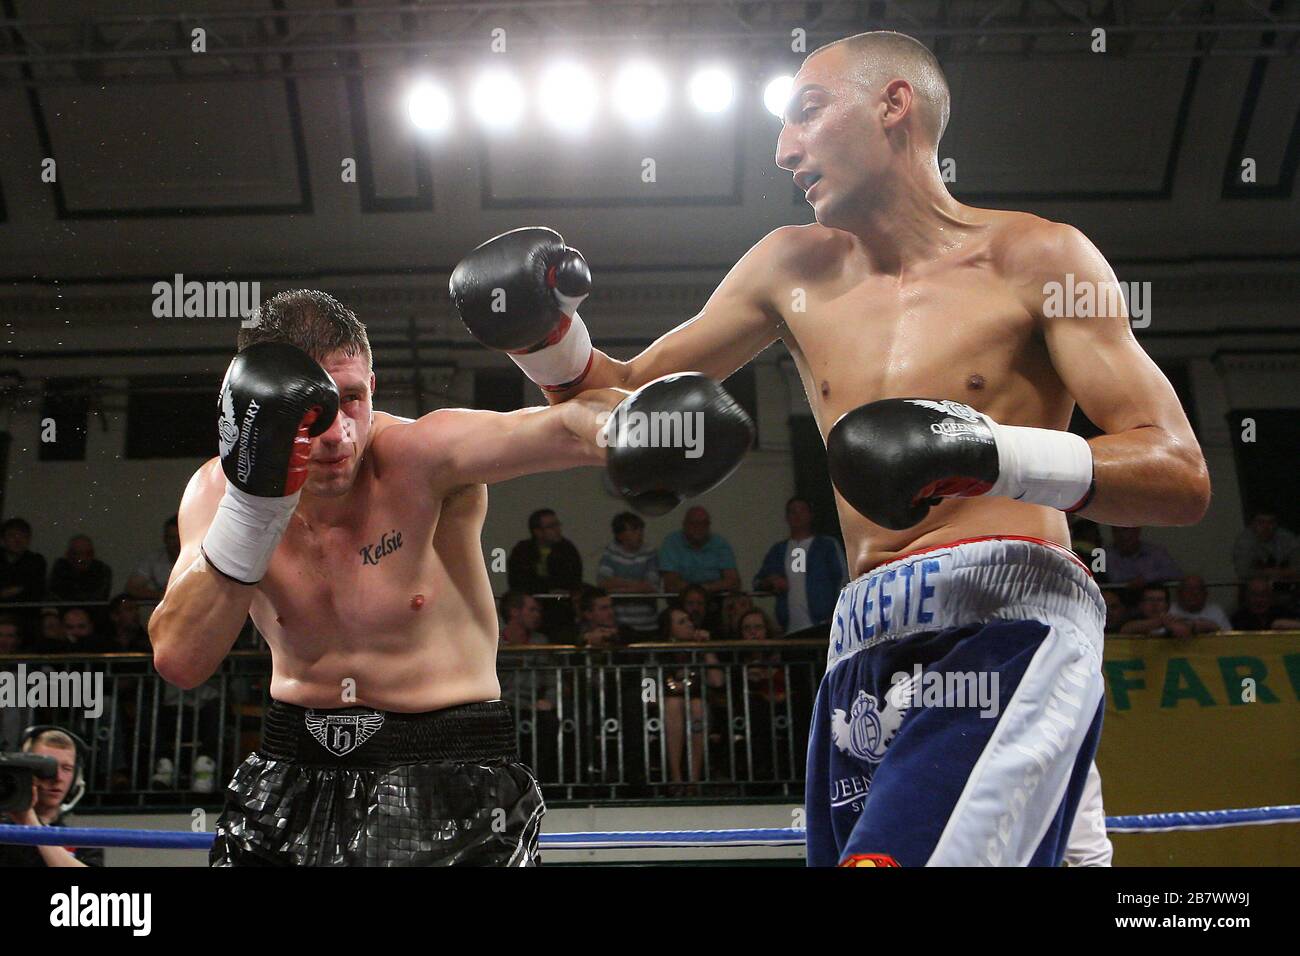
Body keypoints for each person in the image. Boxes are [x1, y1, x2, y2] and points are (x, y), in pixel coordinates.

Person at [458, 31, 1211, 865]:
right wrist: (546, 340)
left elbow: (1178, 474)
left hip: (1004, 617)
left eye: (807, 114)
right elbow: (619, 406)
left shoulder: (1035, 257)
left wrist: (988, 452)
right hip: (861, 634)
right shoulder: (791, 265)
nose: (784, 151)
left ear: (894, 104)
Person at [148, 289, 751, 867]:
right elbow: (180, 658)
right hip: (290, 771)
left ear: (373, 387)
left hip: (449, 779)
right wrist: (256, 506)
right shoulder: (220, 491)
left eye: (351, 400)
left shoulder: (422, 453)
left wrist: (623, 428)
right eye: (310, 414)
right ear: (253, 410)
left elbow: (558, 425)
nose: (337, 435)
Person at [0, 727, 102, 867]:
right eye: (47, 766)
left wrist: (30, 822)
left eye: (66, 768)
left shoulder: (83, 840)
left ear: (76, 777)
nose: (58, 778)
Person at [754, 497, 848, 632]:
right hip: (788, 627)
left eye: (802, 511)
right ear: (787, 517)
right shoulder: (779, 551)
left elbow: (843, 580)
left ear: (811, 515)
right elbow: (757, 583)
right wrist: (771, 582)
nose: (797, 516)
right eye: (793, 512)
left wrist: (839, 614)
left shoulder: (826, 546)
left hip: (824, 624)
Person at [507, 509, 584, 635]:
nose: (557, 529)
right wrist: (547, 589)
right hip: (531, 609)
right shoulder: (523, 550)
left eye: (557, 524)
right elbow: (518, 580)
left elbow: (573, 579)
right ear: (537, 531)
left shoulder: (567, 549)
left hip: (561, 611)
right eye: (551, 526)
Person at [596, 511, 661, 639]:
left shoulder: (650, 552)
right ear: (620, 535)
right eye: (634, 529)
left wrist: (620, 584)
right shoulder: (611, 551)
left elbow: (651, 587)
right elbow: (603, 583)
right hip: (620, 624)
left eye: (640, 529)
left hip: (647, 623)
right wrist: (636, 584)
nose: (640, 533)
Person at [657, 506, 741, 596]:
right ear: (684, 524)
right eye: (694, 523)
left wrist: (703, 589)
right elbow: (672, 584)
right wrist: (704, 589)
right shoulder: (672, 542)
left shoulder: (720, 543)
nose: (699, 527)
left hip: (715, 599)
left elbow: (733, 582)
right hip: (681, 600)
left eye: (704, 523)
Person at [0, 517, 46, 642]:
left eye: (23, 536)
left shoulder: (36, 561)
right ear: (3, 539)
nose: (18, 540)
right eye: (12, 536)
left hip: (25, 615)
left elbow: (34, 591)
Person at [1105, 526, 1183, 593]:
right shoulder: (1106, 554)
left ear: (1137, 530)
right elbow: (1113, 578)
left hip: (1152, 602)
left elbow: (1175, 573)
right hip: (1118, 602)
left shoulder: (1155, 552)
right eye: (1116, 531)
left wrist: (1146, 579)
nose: (1122, 535)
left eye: (1125, 529)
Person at [126, 515, 182, 602]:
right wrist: (162, 595)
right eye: (172, 538)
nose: (176, 543)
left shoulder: (198, 558)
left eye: (179, 537)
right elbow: (132, 588)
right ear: (165, 539)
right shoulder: (154, 559)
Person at [47, 534, 113, 605]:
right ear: (68, 555)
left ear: (93, 555)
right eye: (76, 553)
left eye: (87, 554)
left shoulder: (102, 570)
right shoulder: (60, 568)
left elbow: (97, 599)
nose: (82, 558)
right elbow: (54, 595)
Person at [1119, 585, 1194, 638]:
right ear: (1140, 605)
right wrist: (1163, 622)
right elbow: (1127, 629)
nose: (1155, 604)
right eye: (1149, 600)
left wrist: (1188, 626)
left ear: (1167, 605)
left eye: (1160, 600)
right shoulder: (1132, 622)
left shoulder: (1177, 620)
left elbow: (1199, 625)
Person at [1231, 576, 1300, 631]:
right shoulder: (1239, 618)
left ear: (1271, 597)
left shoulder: (1282, 612)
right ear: (1247, 597)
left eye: (1263, 595)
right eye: (1254, 595)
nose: (1259, 600)